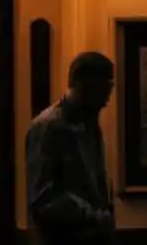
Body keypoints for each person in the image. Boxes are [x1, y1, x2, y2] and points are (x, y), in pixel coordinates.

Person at [26, 52, 116, 245]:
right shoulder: (49, 127)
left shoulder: (90, 126)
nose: (108, 98)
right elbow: (43, 197)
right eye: (106, 87)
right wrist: (93, 216)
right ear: (85, 84)